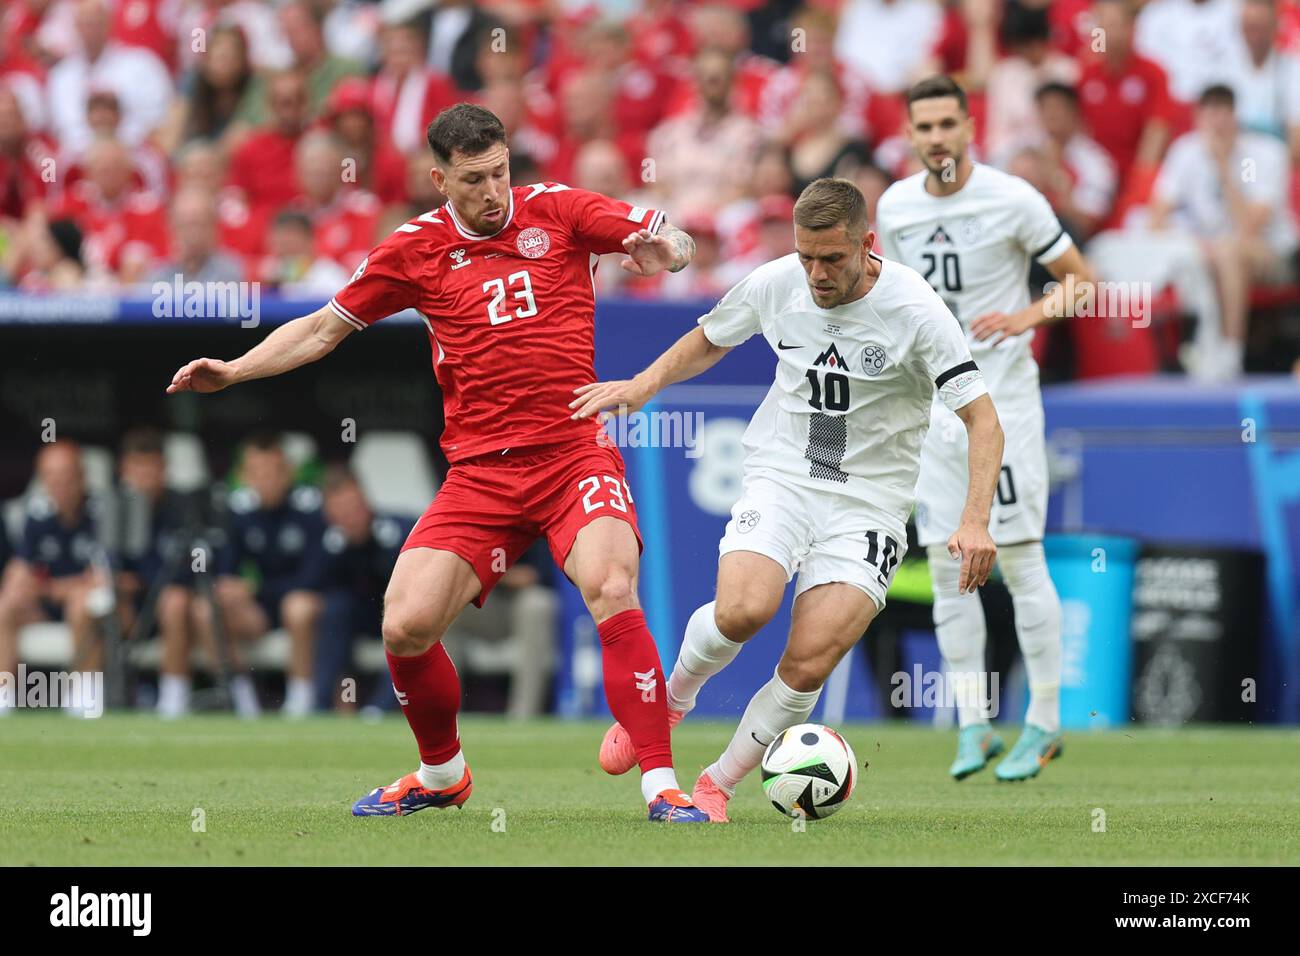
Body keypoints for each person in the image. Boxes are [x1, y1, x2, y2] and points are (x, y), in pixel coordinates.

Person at [165, 103, 706, 823]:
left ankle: (662, 788)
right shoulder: (414, 249)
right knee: (405, 626)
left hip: (572, 450)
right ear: (440, 179)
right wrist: (234, 370)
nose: (494, 192)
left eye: (501, 173)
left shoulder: (560, 210)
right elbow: (324, 329)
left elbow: (672, 235)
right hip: (481, 471)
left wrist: (668, 249)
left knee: (611, 584)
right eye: (476, 180)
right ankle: (441, 772)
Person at [573, 177, 1003, 821]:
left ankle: (717, 784)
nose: (817, 273)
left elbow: (983, 419)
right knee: (743, 611)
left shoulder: (915, 310)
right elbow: (712, 336)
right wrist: (644, 384)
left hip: (872, 503)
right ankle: (672, 699)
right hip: (785, 474)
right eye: (807, 256)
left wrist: (974, 521)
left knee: (809, 660)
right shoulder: (778, 281)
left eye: (832, 258)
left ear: (867, 243)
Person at [875, 76, 1095, 781]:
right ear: (909, 136)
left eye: (947, 123)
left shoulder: (1012, 199)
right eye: (924, 127)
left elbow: (1080, 280)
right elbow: (900, 303)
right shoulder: (897, 206)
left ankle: (1045, 723)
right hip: (939, 410)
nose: (936, 137)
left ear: (970, 128)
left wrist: (1025, 318)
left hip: (1007, 401)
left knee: (1022, 559)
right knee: (946, 568)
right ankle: (973, 725)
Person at [210, 432, 326, 718]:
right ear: (245, 476)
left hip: (303, 609)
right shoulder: (239, 514)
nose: (265, 481)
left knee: (298, 605)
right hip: (260, 611)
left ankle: (301, 701)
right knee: (207, 607)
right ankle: (242, 701)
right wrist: (234, 592)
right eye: (256, 473)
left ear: (287, 473)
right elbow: (227, 573)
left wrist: (254, 589)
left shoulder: (309, 510)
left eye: (272, 472)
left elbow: (312, 578)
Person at [0, 442, 103, 715]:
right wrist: (20, 580)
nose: (60, 485)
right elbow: (21, 568)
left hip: (94, 612)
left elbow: (106, 579)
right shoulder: (37, 516)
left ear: (82, 476)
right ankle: (3, 695)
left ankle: (84, 697)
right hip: (45, 607)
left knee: (83, 602)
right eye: (51, 478)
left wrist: (58, 587)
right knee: (7, 602)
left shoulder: (101, 513)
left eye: (67, 477)